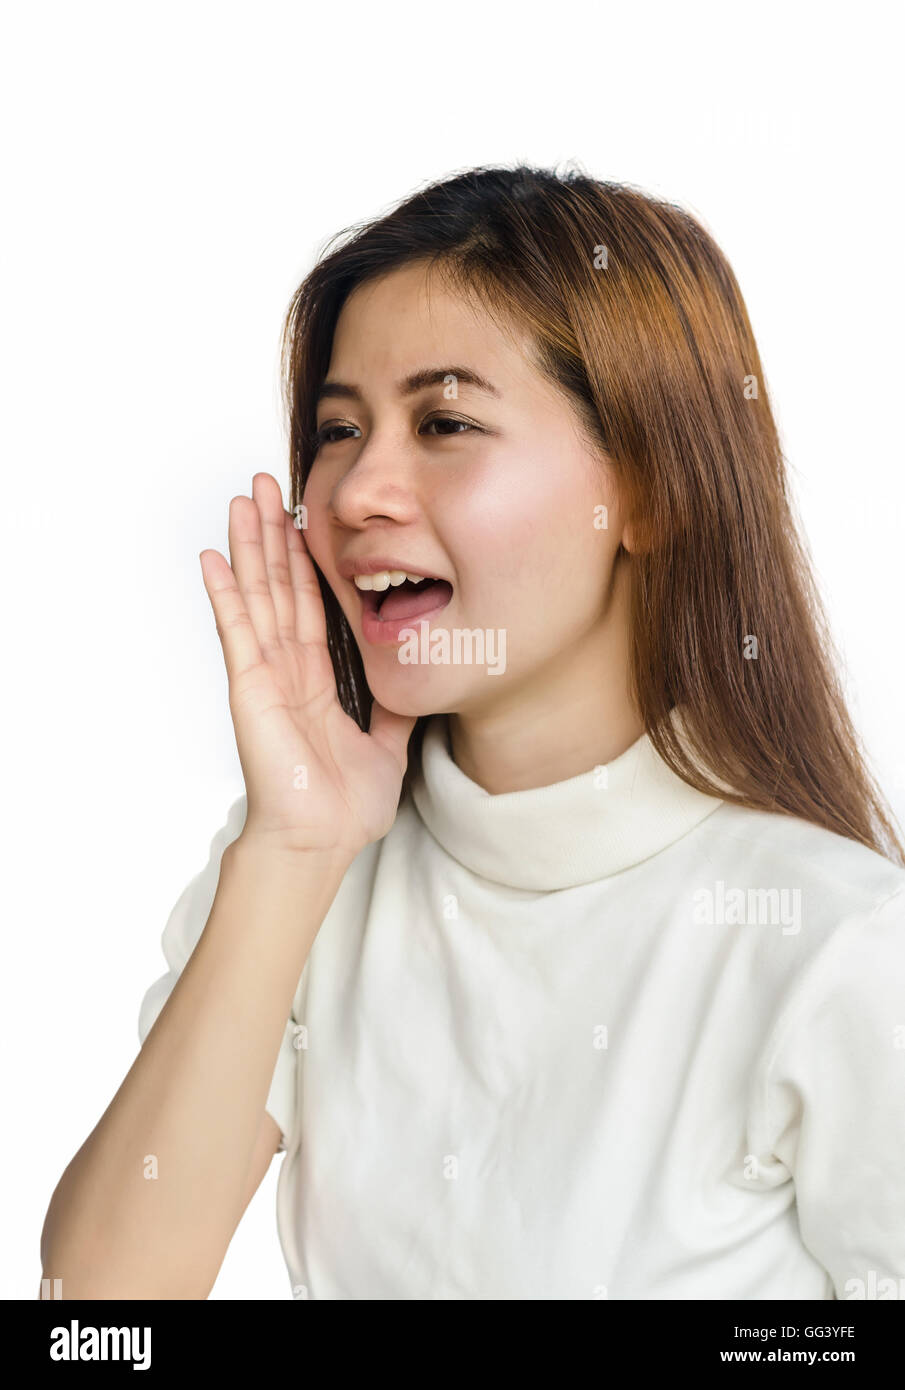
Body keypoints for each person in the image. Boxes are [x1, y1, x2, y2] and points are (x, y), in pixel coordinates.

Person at [40, 164, 905, 1300]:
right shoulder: (299, 873)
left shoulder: (838, 945)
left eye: (444, 420)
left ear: (646, 490)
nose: (355, 491)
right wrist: (294, 851)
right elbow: (101, 1319)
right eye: (337, 429)